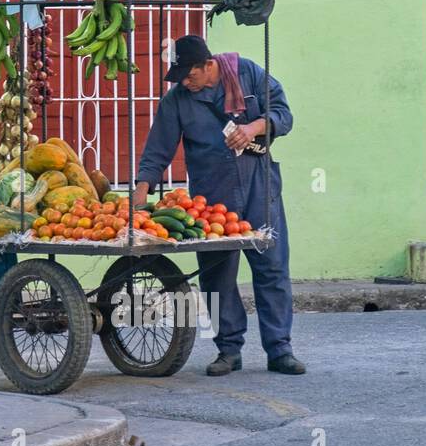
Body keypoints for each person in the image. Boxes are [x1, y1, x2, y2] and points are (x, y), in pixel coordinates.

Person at [130, 34, 305, 376]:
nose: (184, 81)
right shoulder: (177, 100)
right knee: (216, 275)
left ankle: (280, 349)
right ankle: (228, 350)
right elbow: (158, 148)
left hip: (259, 184)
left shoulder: (249, 74)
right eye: (179, 76)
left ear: (208, 65)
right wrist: (142, 188)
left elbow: (283, 114)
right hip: (210, 194)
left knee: (272, 268)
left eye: (189, 74)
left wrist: (255, 127)